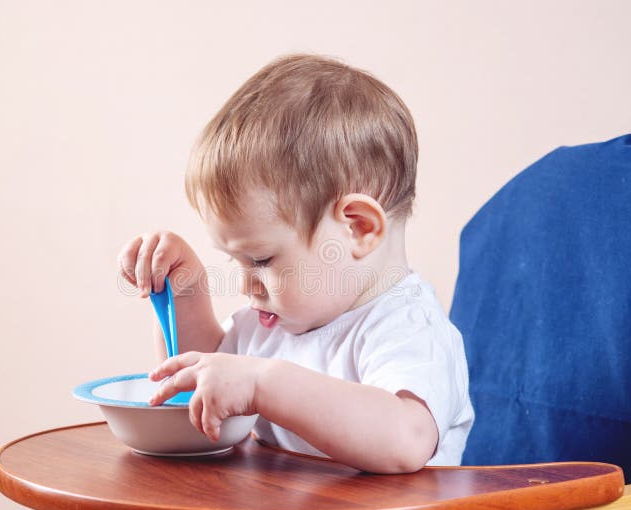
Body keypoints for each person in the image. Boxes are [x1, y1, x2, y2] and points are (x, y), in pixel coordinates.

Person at [118, 54, 473, 474]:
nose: (247, 285)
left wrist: (264, 384)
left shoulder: (407, 329)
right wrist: (185, 291)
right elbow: (205, 385)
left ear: (357, 229)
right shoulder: (273, 323)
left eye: (261, 259)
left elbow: (405, 438)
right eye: (235, 260)